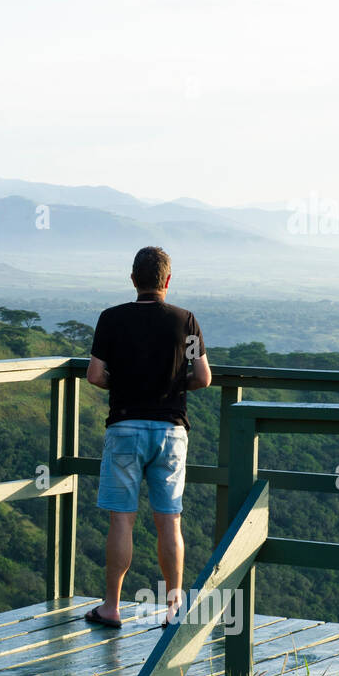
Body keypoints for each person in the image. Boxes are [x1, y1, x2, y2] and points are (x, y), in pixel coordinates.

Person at [83, 246, 210, 629]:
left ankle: (111, 607)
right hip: (170, 430)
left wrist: (122, 384)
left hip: (124, 426)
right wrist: (172, 384)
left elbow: (94, 375)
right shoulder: (185, 321)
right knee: (169, 521)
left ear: (133, 279)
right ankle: (173, 609)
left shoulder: (111, 319)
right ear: (167, 281)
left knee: (121, 520)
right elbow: (203, 378)